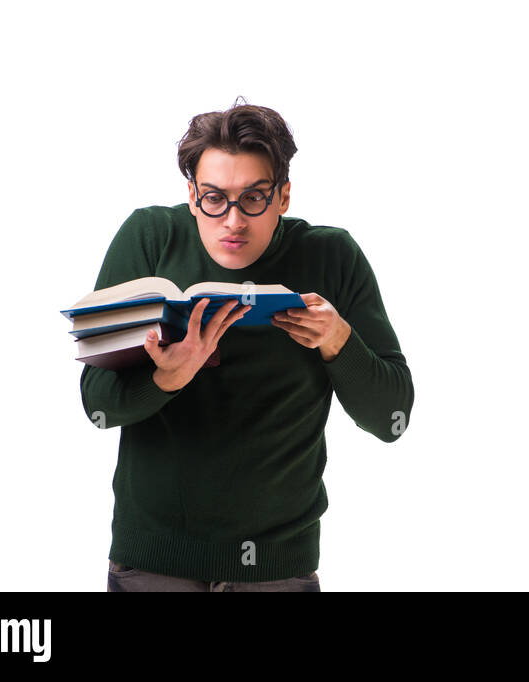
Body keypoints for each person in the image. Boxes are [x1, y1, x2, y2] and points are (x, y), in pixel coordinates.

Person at [81, 101, 414, 592]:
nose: (233, 220)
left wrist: (340, 342)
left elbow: (392, 420)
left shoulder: (332, 256)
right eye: (214, 198)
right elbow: (97, 407)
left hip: (278, 570)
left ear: (283, 197)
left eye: (254, 197)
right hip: (154, 564)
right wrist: (167, 378)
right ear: (192, 196)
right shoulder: (149, 238)